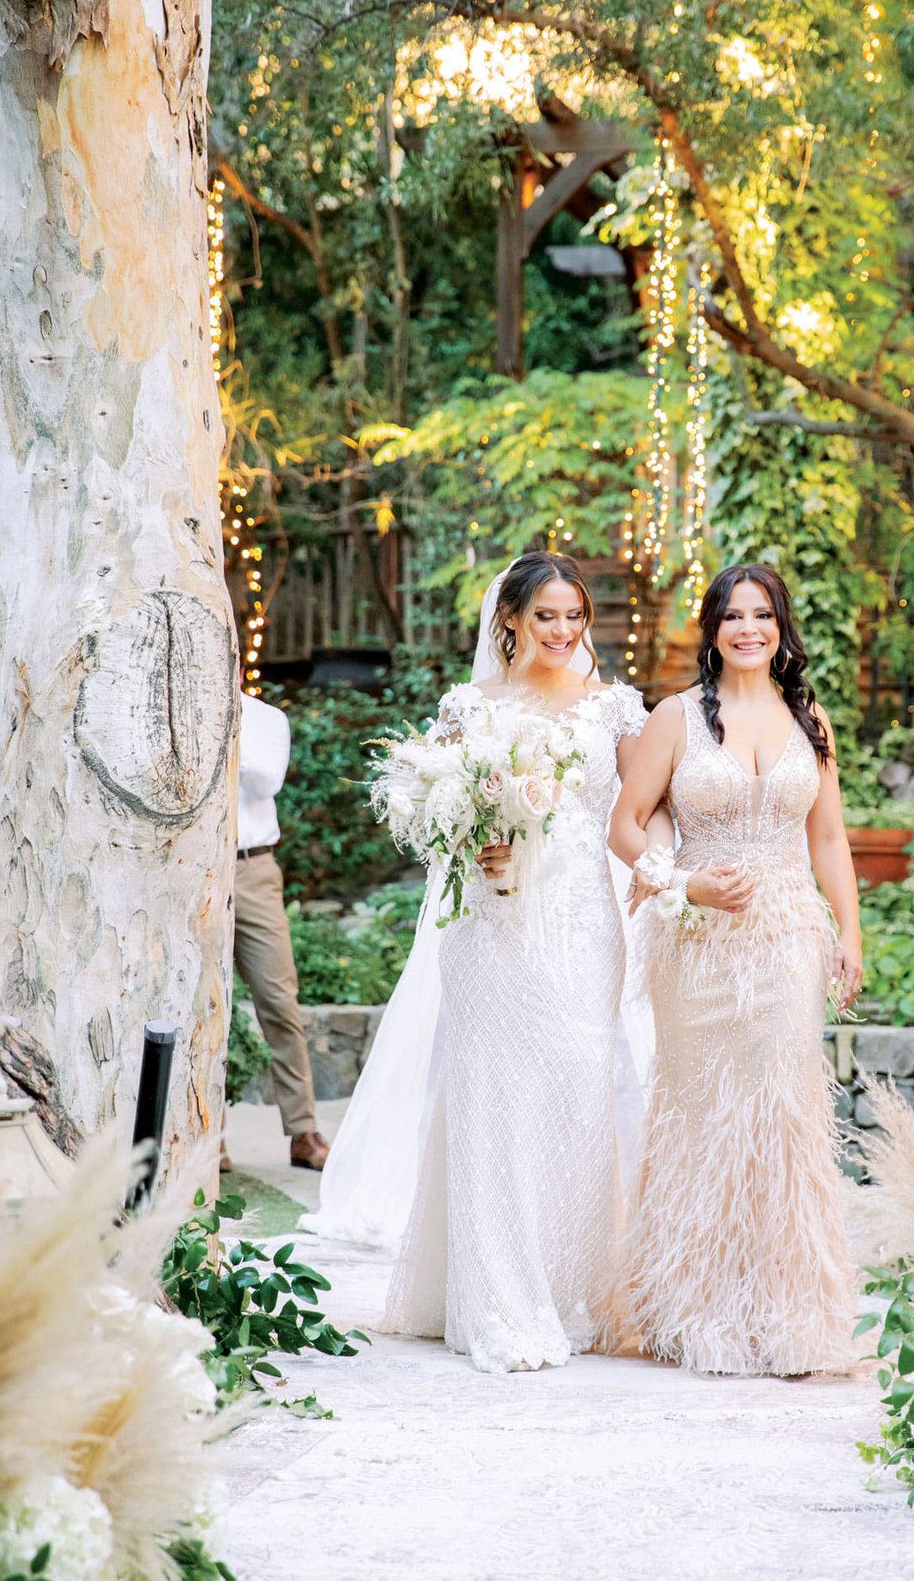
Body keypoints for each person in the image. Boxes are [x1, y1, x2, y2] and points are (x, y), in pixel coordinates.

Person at [306, 553, 662, 1374]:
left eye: (576, 617)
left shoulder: (615, 709)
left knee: (577, 1095)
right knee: (494, 1093)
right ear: (510, 620)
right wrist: (474, 839)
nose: (565, 632)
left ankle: (574, 1290)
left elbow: (650, 807)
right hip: (492, 928)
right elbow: (435, 811)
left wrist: (666, 872)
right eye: (547, 617)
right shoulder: (469, 708)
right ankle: (498, 1298)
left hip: (581, 922)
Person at [607, 563, 861, 1376]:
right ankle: (694, 1309)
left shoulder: (808, 717)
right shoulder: (676, 718)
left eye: (762, 615)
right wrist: (683, 883)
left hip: (786, 933)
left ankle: (789, 1315)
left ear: (781, 627)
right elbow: (625, 825)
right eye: (732, 616)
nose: (748, 629)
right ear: (712, 629)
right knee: (701, 1110)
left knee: (782, 1113)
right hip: (698, 942)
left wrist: (849, 935)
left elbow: (828, 840)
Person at [227, 688, 330, 1173]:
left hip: (251, 870)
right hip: (183, 869)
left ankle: (303, 1132)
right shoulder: (164, 705)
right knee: (198, 1006)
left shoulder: (265, 718)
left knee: (279, 1000)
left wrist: (220, 722)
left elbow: (266, 781)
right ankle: (206, 1137)